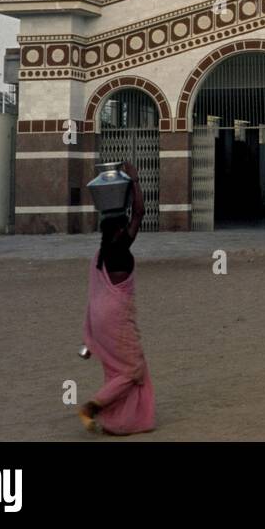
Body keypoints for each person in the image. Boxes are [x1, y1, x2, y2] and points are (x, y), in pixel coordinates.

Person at [78, 161, 156, 435]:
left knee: (115, 369)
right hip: (116, 318)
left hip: (100, 321)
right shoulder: (121, 247)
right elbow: (140, 212)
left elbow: (92, 298)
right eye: (124, 227)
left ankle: (117, 422)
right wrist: (134, 180)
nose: (127, 229)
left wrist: (89, 341)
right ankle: (92, 407)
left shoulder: (100, 257)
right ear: (119, 230)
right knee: (133, 369)